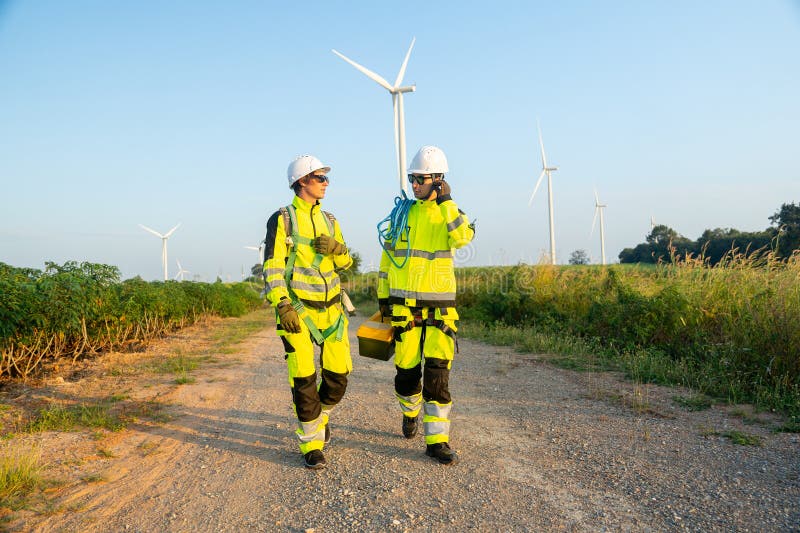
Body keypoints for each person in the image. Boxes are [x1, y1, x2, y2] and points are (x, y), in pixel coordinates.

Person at [377, 145, 475, 465]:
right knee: (407, 377)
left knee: (437, 378)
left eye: (420, 179)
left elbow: (463, 238)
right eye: (412, 178)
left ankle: (437, 441)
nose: (414, 184)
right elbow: (386, 262)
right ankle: (409, 412)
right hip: (405, 310)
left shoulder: (450, 214)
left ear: (438, 180)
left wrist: (447, 202)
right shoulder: (401, 216)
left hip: (441, 312)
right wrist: (383, 299)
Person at [262, 155, 353, 470]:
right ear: (302, 181)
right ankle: (312, 444)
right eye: (320, 177)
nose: (326, 183)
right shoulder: (283, 219)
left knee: (338, 379)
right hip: (298, 312)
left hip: (332, 314)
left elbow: (345, 265)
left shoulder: (331, 220)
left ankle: (322, 413)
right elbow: (272, 266)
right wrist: (282, 303)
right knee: (303, 379)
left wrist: (338, 250)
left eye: (326, 178)